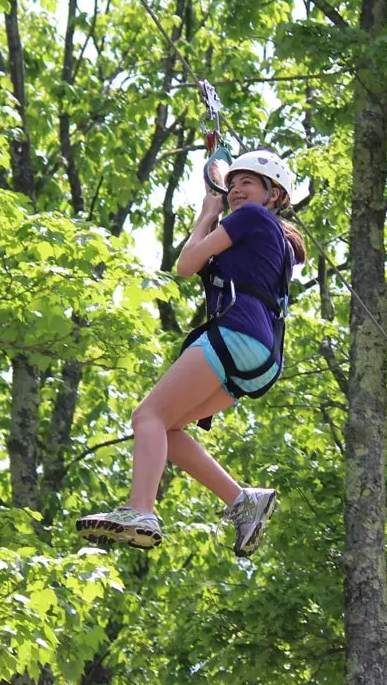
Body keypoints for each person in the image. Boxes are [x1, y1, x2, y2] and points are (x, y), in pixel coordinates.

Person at [76, 150, 306, 555]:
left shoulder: (252, 218)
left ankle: (140, 509)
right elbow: (205, 259)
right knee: (168, 429)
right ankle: (243, 501)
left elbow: (185, 264)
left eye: (248, 183)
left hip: (236, 333)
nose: (236, 190)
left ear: (274, 194)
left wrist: (206, 211)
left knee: (146, 415)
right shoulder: (270, 238)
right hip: (261, 356)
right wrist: (214, 207)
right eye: (232, 184)